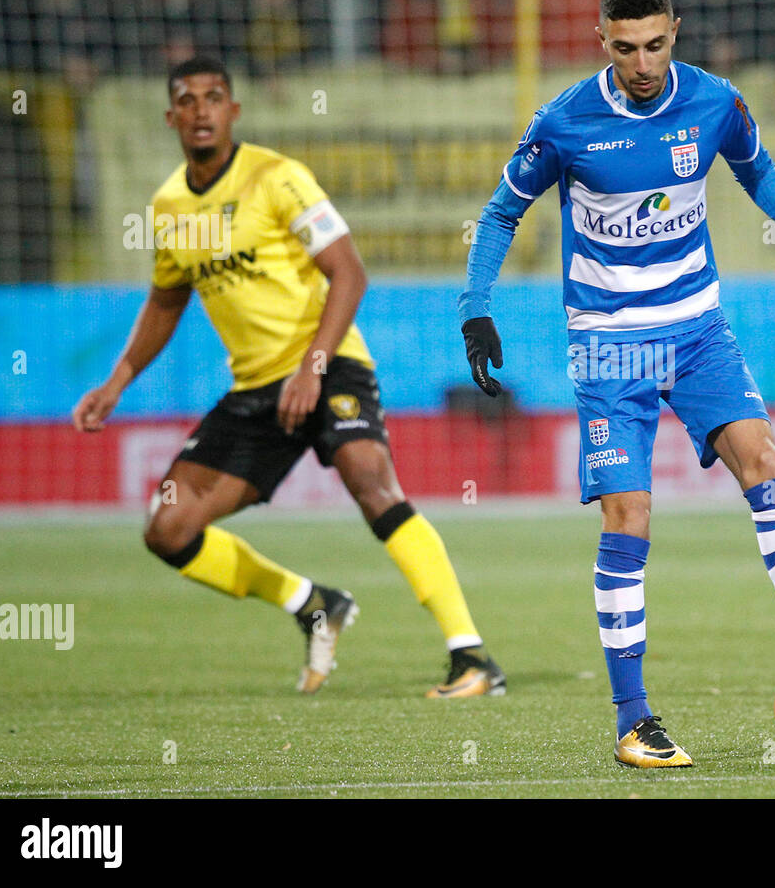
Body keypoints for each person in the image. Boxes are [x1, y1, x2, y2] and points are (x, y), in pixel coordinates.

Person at [459, 0, 775, 768]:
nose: (644, 63)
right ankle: (633, 719)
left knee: (765, 461)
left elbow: (753, 165)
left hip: (696, 329)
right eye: (626, 48)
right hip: (610, 343)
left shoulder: (715, 101)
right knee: (629, 517)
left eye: (656, 44)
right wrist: (476, 308)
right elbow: (500, 211)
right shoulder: (565, 123)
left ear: (675, 31)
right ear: (602, 41)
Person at [72, 56, 505, 697]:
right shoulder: (168, 207)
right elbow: (166, 302)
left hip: (329, 366)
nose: (200, 111)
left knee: (372, 485)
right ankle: (311, 603)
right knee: (168, 527)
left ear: (233, 111)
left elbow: (349, 272)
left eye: (213, 97)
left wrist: (313, 367)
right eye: (186, 101)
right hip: (255, 391)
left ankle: (471, 657)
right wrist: (117, 381)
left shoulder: (277, 178)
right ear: (171, 117)